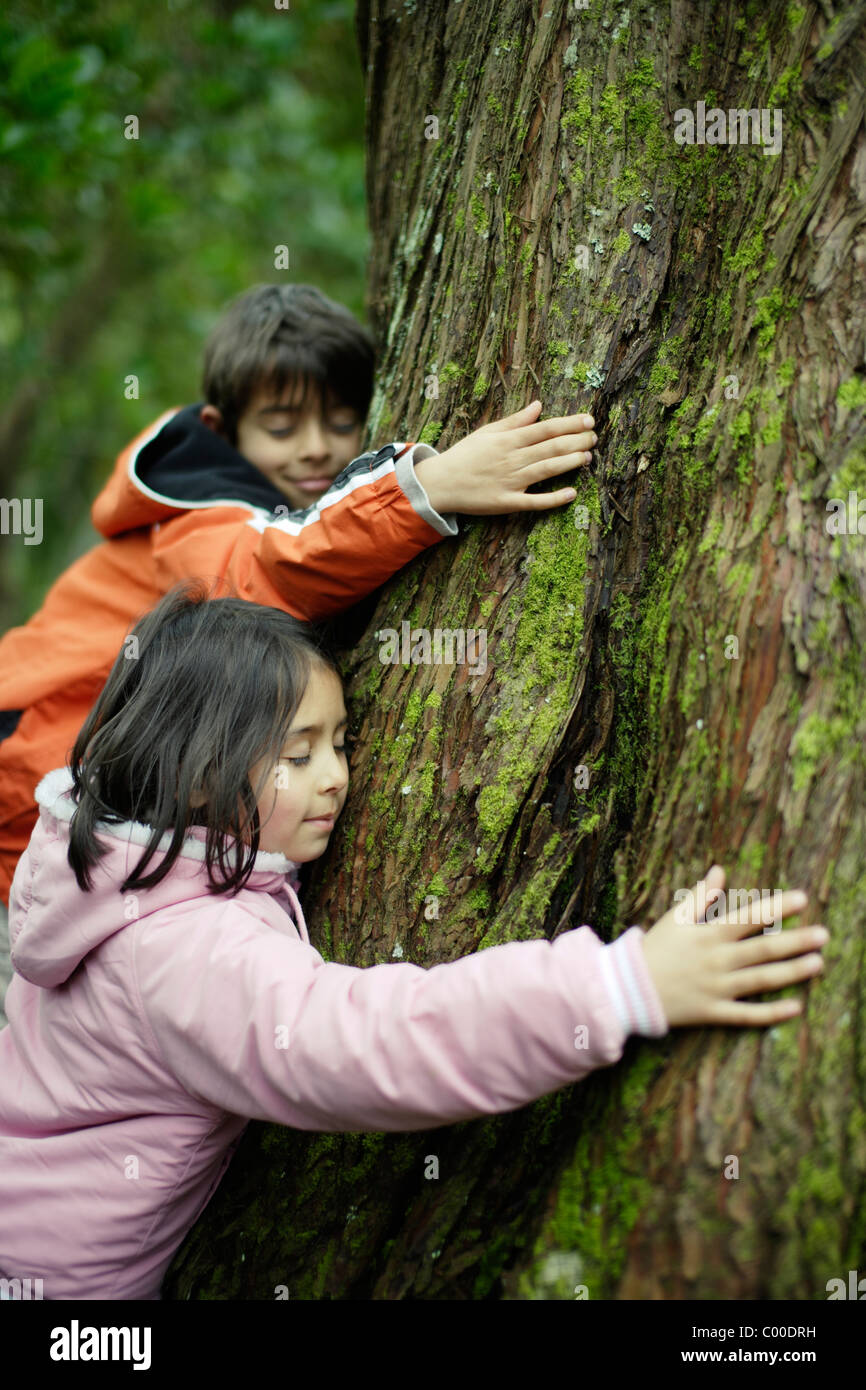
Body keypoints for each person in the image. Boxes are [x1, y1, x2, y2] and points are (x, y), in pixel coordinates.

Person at [0, 584, 829, 1300]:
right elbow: (364, 1041)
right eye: (300, 752)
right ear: (197, 772)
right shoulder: (182, 953)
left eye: (342, 742)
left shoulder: (105, 871)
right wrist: (616, 987)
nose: (337, 776)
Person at [0, 280, 599, 1021]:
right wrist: (429, 486)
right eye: (282, 429)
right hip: (33, 781)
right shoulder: (199, 509)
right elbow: (260, 577)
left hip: (88, 802)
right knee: (51, 1014)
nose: (317, 448)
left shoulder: (263, 499)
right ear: (224, 429)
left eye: (342, 424)